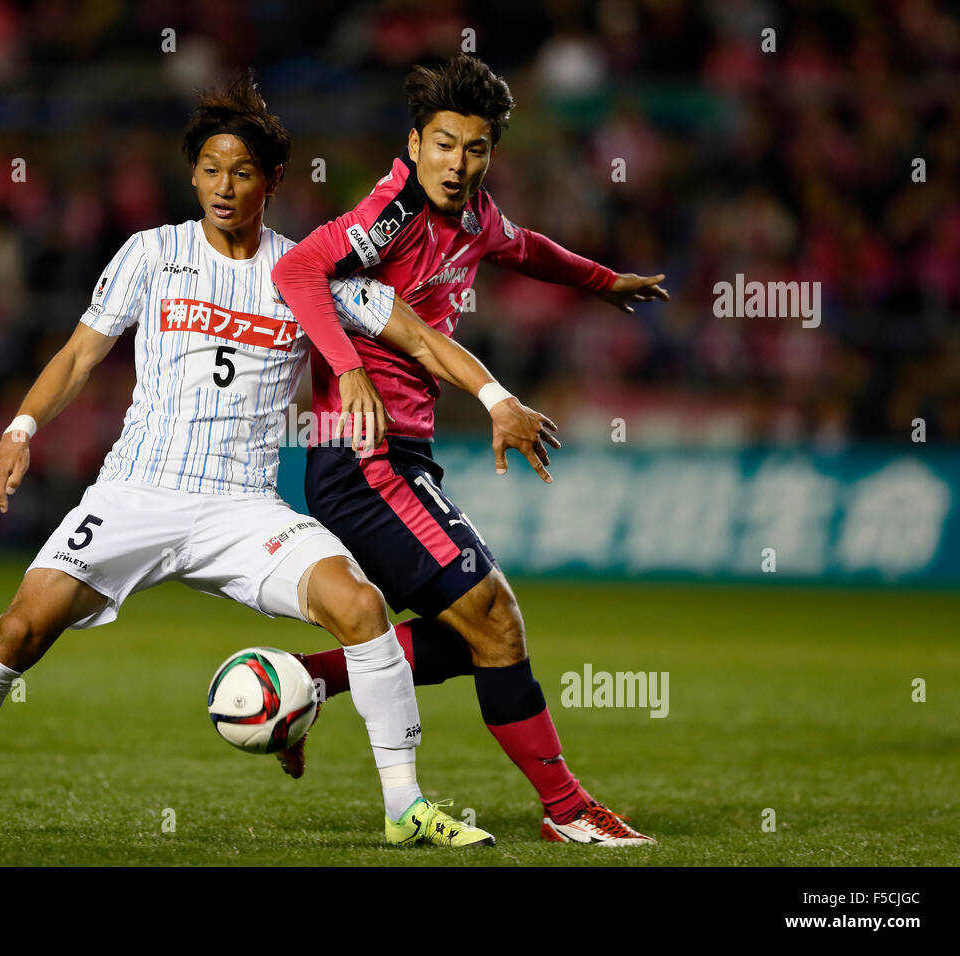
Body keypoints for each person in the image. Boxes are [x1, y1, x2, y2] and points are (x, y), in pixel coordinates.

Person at [0, 75, 552, 849]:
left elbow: (419, 335)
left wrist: (499, 397)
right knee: (21, 627)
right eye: (210, 169)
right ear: (194, 176)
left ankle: (405, 805)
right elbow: (77, 357)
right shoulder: (152, 253)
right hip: (139, 492)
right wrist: (19, 431)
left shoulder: (307, 272)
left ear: (271, 180)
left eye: (241, 172)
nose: (224, 187)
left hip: (243, 507)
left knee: (361, 609)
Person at [270, 55, 668, 846]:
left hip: (403, 458)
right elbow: (296, 268)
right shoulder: (391, 211)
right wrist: (347, 372)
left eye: (475, 148)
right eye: (444, 144)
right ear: (416, 143)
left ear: (491, 153)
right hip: (363, 460)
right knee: (497, 619)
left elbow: (527, 249)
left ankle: (309, 681)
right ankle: (567, 810)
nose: (458, 164)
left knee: (477, 634)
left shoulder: (477, 215)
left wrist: (601, 281)